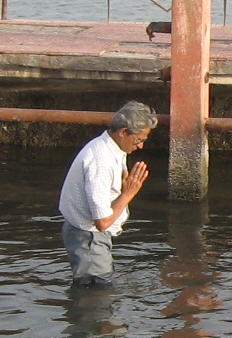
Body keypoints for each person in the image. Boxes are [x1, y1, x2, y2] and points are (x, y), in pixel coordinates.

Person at [58, 101, 158, 288]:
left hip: (86, 236)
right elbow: (102, 223)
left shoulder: (110, 146)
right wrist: (128, 193)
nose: (141, 146)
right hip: (89, 238)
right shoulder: (101, 161)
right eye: (139, 140)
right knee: (96, 294)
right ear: (123, 132)